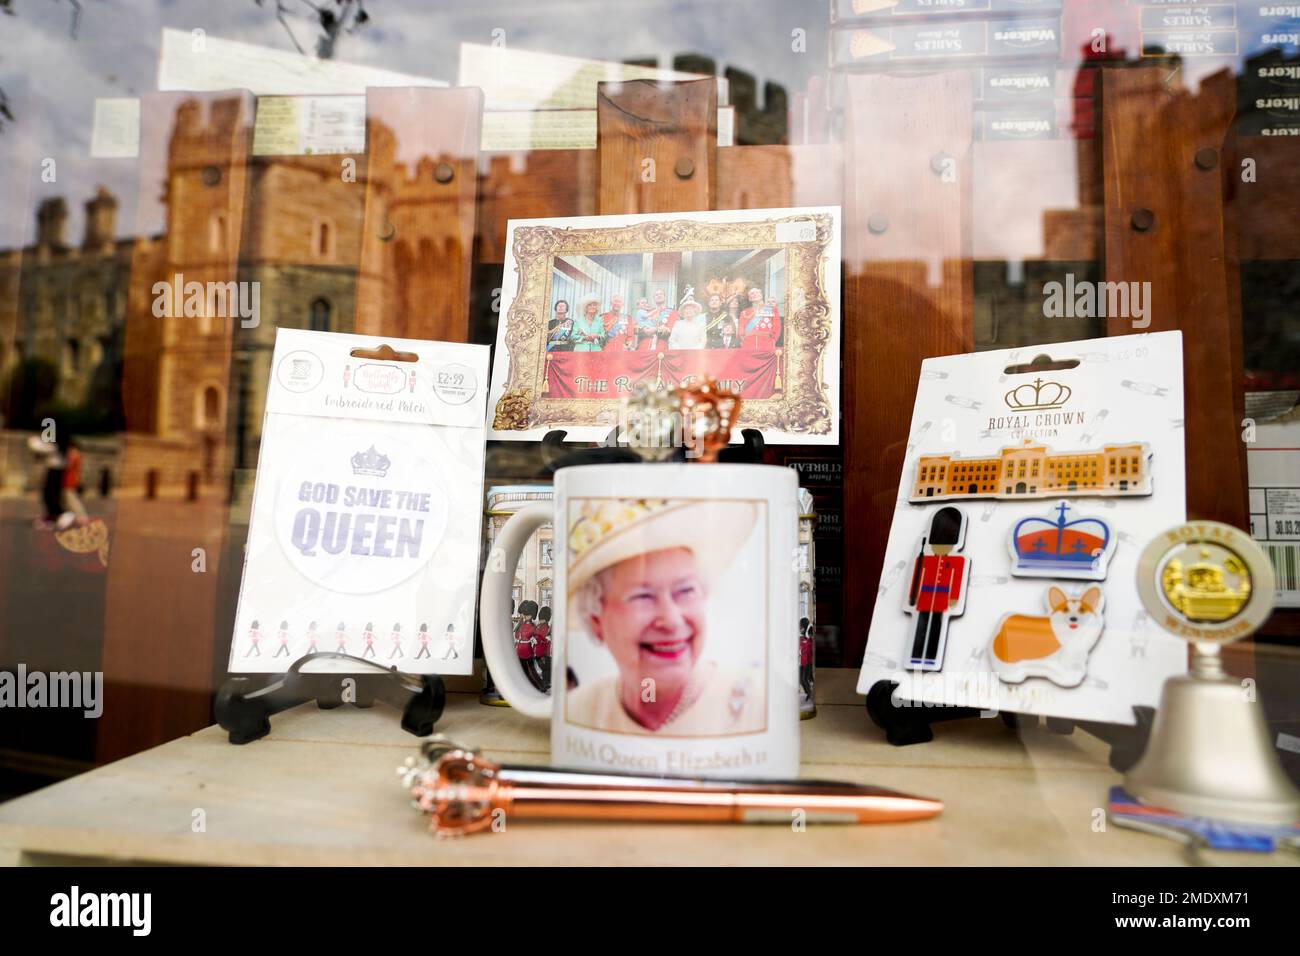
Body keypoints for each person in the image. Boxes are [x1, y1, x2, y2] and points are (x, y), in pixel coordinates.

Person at [565, 498, 762, 735]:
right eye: (642, 597)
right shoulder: (577, 710)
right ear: (596, 621)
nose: (671, 620)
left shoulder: (759, 703)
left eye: (686, 591)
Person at [905, 506, 969, 671]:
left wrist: (953, 597)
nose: (941, 549)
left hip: (942, 599)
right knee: (921, 627)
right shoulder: (924, 559)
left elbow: (956, 580)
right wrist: (913, 596)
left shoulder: (957, 561)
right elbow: (916, 579)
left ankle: (930, 657)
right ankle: (917, 655)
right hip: (924, 597)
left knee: (936, 628)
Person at [534, 606, 553, 692]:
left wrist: (535, 636)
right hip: (538, 651)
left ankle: (545, 684)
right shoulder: (540, 626)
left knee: (545, 669)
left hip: (543, 652)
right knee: (544, 669)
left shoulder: (545, 627)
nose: (540, 620)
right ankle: (545, 683)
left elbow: (541, 637)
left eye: (541, 619)